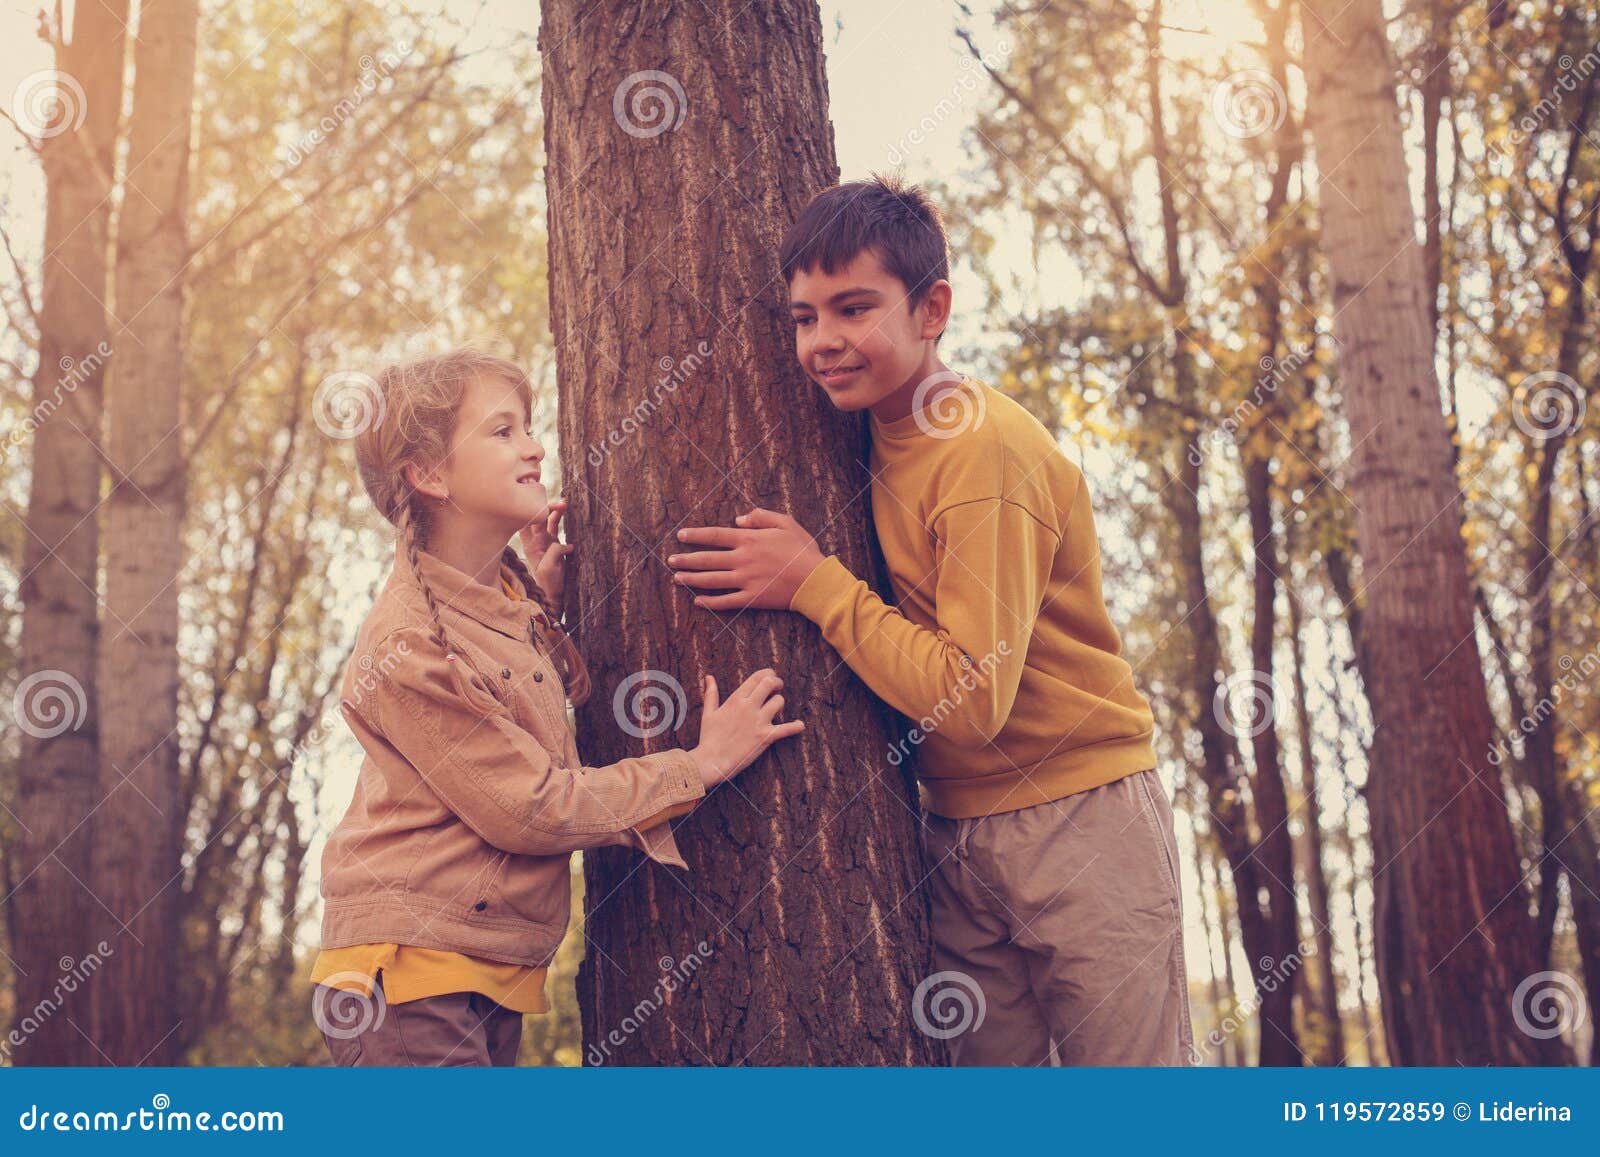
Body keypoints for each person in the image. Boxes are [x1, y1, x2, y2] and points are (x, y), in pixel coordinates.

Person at [668, 178, 1192, 1066]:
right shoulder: (863, 434)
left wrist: (814, 583)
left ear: (932, 307)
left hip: (1083, 820)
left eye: (854, 307)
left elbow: (971, 696)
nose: (825, 341)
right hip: (951, 832)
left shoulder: (979, 449)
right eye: (803, 317)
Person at [311, 345, 802, 1066]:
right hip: (406, 978)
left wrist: (538, 597)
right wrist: (702, 762)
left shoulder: (499, 601)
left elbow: (531, 698)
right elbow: (531, 806)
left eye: (529, 427)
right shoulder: (410, 641)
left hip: (470, 969)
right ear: (429, 473)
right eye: (502, 430)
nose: (535, 446)